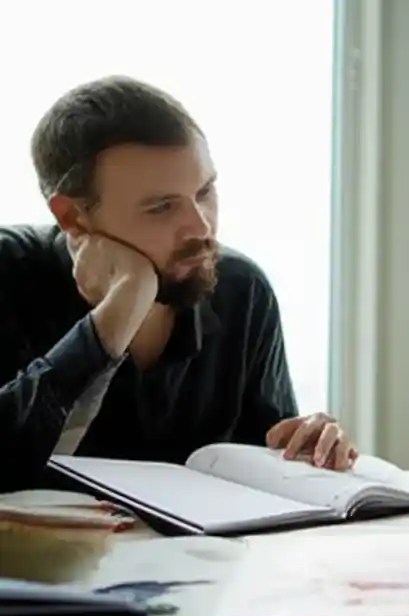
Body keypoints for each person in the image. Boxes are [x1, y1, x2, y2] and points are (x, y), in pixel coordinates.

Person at [0, 76, 357, 490]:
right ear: (73, 218)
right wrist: (122, 307)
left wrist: (307, 451)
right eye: (162, 207)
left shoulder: (242, 292)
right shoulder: (10, 273)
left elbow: (262, 475)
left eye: (205, 192)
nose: (200, 226)